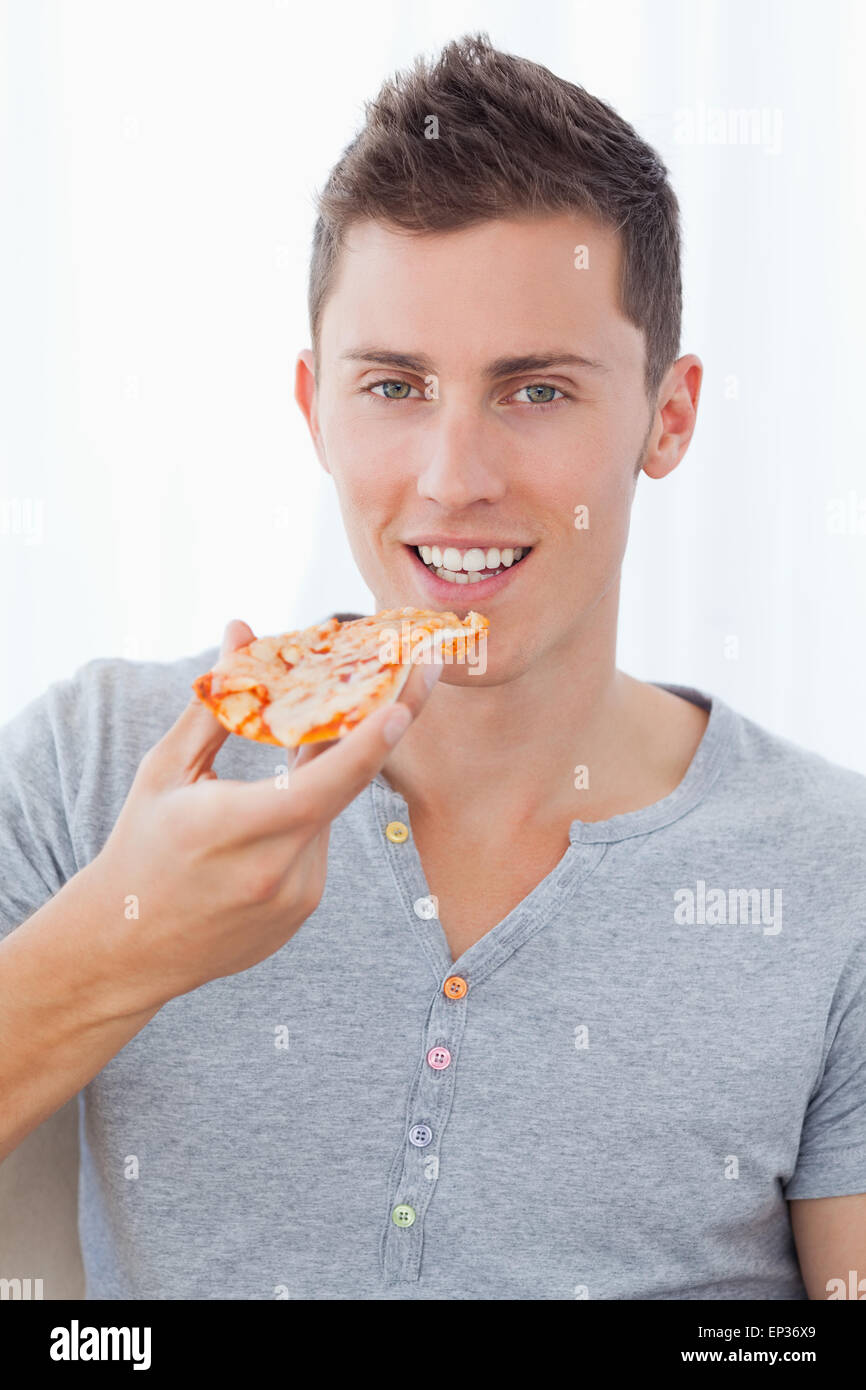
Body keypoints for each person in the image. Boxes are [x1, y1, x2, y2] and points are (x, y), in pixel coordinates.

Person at [1, 32, 864, 1301]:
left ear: (665, 418)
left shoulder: (827, 871)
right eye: (395, 385)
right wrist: (124, 943)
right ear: (313, 408)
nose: (453, 479)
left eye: (535, 391)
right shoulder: (97, 765)